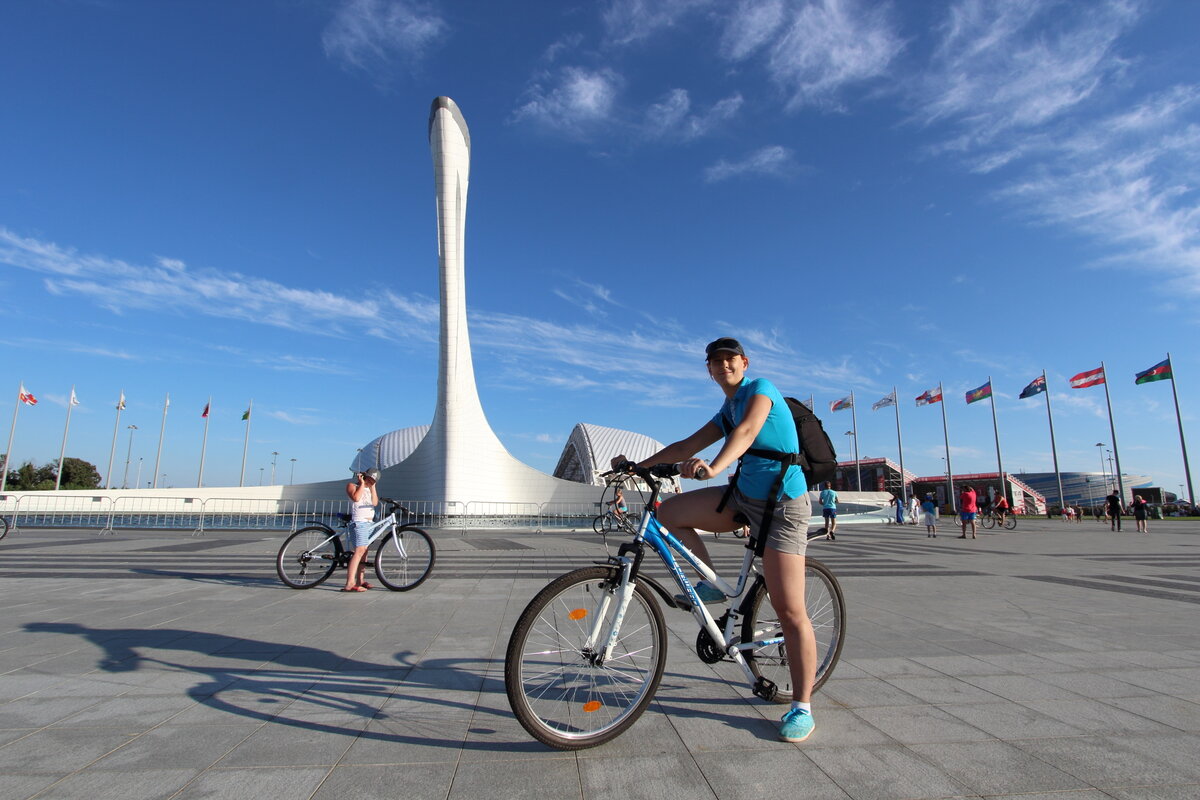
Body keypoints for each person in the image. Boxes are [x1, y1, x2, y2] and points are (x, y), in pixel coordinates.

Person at [611, 337, 817, 743]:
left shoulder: (761, 390)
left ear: (744, 362)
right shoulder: (727, 407)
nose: (723, 366)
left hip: (784, 506)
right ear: (708, 369)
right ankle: (710, 586)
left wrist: (716, 466)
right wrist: (635, 467)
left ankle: (803, 706)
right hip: (743, 498)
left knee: (790, 610)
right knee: (667, 513)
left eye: (729, 360)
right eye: (715, 362)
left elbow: (747, 432)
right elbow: (687, 444)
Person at [342, 468, 380, 592]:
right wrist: (362, 484)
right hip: (359, 522)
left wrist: (373, 487)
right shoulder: (351, 485)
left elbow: (374, 503)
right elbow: (356, 498)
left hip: (369, 523)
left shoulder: (370, 489)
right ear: (363, 476)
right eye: (369, 479)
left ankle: (360, 580)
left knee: (364, 553)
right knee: (359, 550)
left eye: (373, 481)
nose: (370, 482)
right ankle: (350, 583)